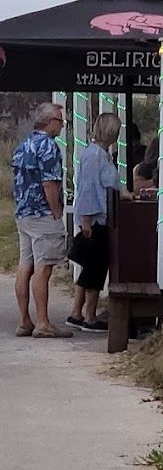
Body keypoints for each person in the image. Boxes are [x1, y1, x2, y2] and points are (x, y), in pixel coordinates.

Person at [11, 102, 72, 338]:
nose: (62, 124)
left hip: (24, 212)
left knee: (24, 265)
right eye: (59, 120)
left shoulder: (23, 145)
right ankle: (43, 322)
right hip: (42, 214)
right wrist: (56, 211)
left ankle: (24, 320)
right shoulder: (48, 147)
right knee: (43, 268)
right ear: (49, 121)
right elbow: (50, 183)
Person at [68, 112, 132, 332]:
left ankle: (77, 312)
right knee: (96, 268)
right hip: (95, 220)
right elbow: (88, 189)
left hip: (100, 217)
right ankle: (90, 316)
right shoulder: (94, 156)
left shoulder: (101, 155)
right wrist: (86, 220)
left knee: (89, 267)